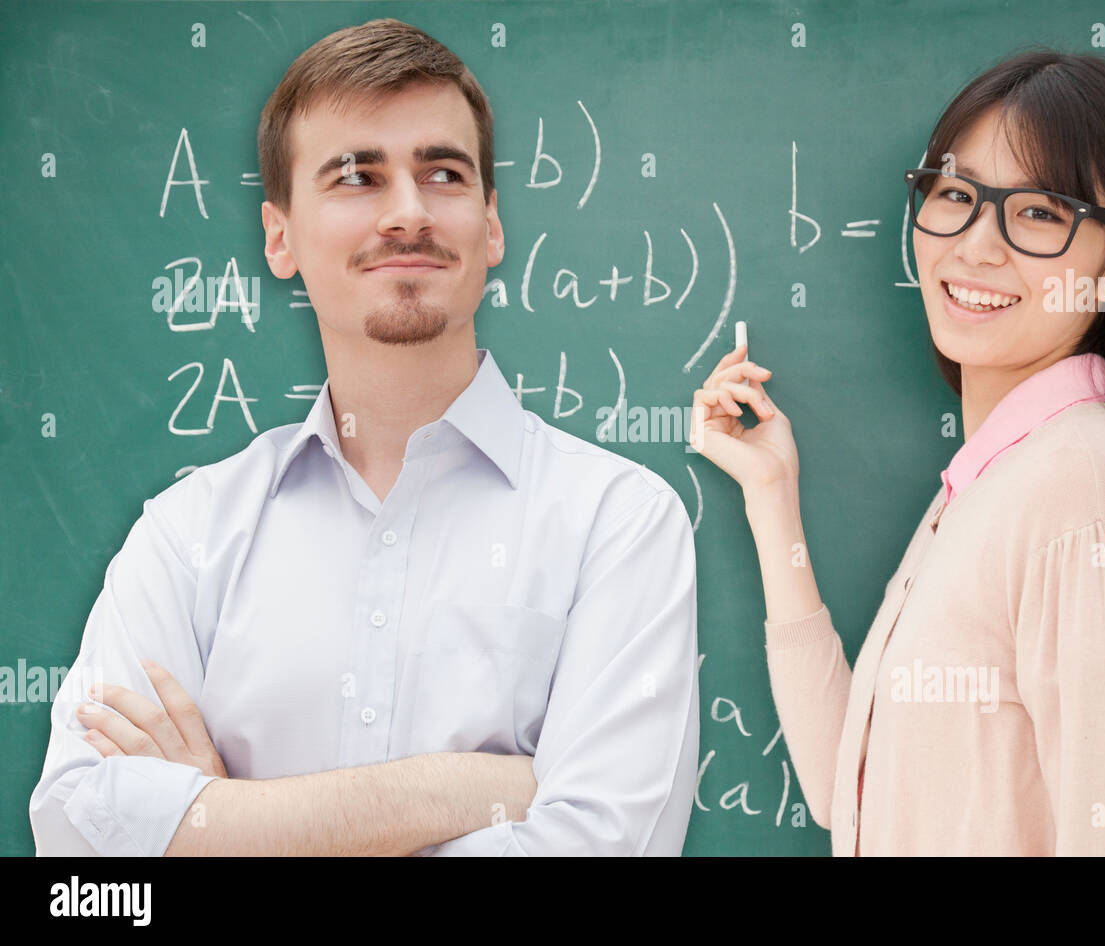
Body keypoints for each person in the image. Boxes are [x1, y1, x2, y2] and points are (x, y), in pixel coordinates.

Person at [29, 18, 699, 857]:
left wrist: (221, 824)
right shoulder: (186, 534)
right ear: (279, 237)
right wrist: (463, 789)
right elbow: (78, 835)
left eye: (443, 173)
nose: (408, 213)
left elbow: (599, 847)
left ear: (491, 225)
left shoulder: (619, 521)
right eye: (357, 176)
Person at [689, 49, 1105, 855]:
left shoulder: (1078, 487)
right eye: (955, 195)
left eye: (1038, 212)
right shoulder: (996, 475)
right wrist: (772, 494)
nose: (976, 248)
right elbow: (841, 791)